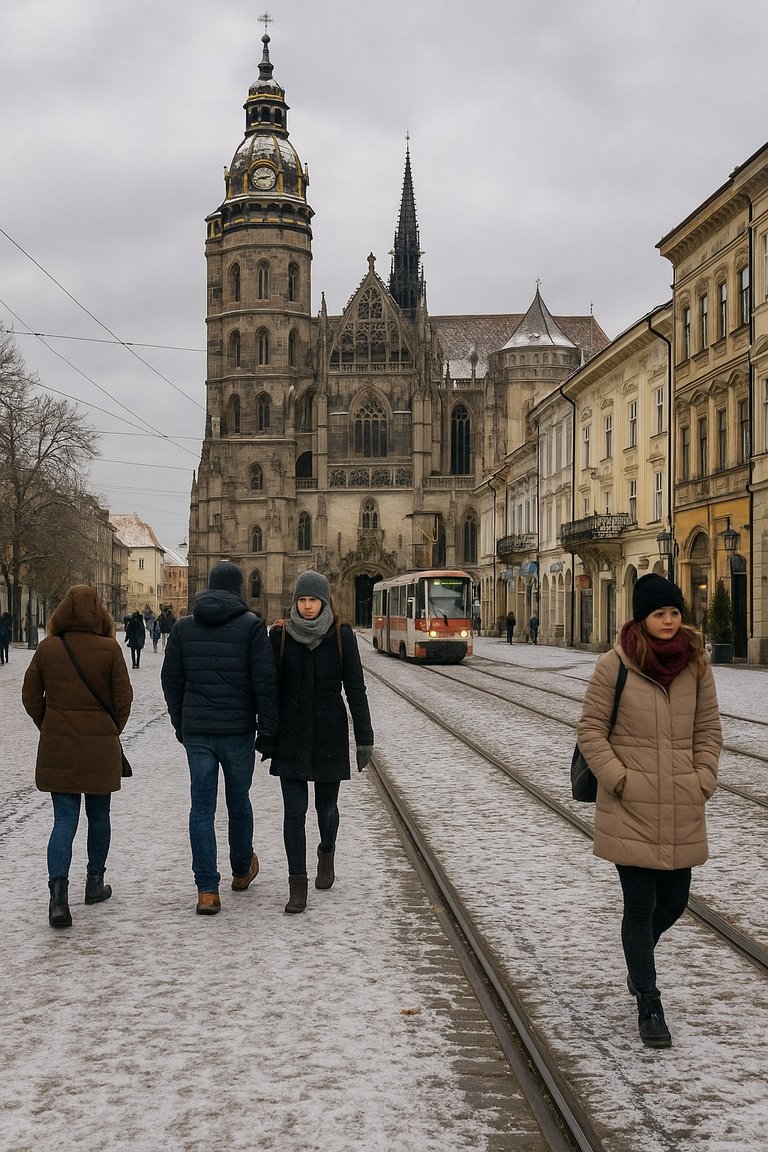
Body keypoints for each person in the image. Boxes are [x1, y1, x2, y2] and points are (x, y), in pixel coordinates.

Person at [576, 572, 722, 1049]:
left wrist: (703, 778)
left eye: (675, 612)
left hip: (681, 801)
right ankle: (649, 1002)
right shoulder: (613, 665)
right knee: (639, 907)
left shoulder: (696, 664)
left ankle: (636, 960)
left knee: (674, 902)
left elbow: (709, 728)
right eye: (660, 613)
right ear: (642, 617)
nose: (669, 620)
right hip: (631, 806)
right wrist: (619, 779)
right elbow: (591, 730)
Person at [161, 562, 279, 916]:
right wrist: (268, 729)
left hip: (198, 732)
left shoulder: (183, 628)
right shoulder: (251, 626)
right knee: (239, 800)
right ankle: (241, 870)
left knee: (201, 807)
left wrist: (181, 722)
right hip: (238, 730)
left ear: (209, 587)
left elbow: (171, 680)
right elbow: (265, 682)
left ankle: (207, 891)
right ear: (238, 589)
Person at [21, 585, 133, 929]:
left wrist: (49, 723)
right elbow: (123, 700)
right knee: (99, 817)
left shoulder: (48, 648)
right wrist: (110, 729)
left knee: (63, 821)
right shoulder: (109, 649)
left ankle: (58, 897)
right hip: (100, 748)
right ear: (98, 612)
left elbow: (30, 695)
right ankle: (94, 883)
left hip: (60, 747)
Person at [266, 571, 374, 914]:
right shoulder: (280, 636)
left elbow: (355, 689)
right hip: (291, 735)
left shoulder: (342, 636)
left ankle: (326, 853)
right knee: (293, 814)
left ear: (325, 602)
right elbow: (269, 689)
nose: (307, 605)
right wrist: (266, 733)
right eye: (302, 600)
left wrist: (364, 738)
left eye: (313, 600)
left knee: (326, 810)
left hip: (329, 733)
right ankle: (297, 885)